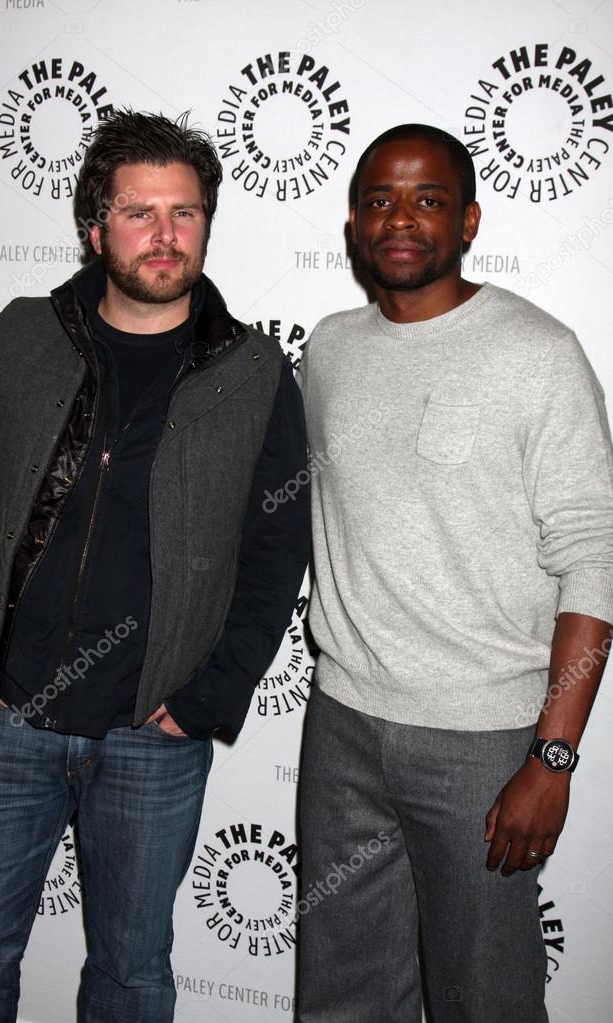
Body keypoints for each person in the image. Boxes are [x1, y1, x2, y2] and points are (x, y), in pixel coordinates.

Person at [0, 109, 309, 1023]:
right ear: (95, 227)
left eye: (186, 212)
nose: (166, 234)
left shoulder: (256, 370)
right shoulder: (19, 335)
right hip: (3, 722)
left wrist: (206, 701)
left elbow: (275, 556)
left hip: (154, 734)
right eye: (141, 213)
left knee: (133, 976)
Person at [296, 123, 613, 1023]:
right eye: (379, 200)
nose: (401, 218)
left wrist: (550, 756)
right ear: (354, 223)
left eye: (427, 198)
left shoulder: (537, 353)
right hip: (343, 724)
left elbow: (595, 554)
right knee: (342, 994)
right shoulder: (328, 349)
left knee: (488, 1000)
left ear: (469, 218)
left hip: (482, 741)